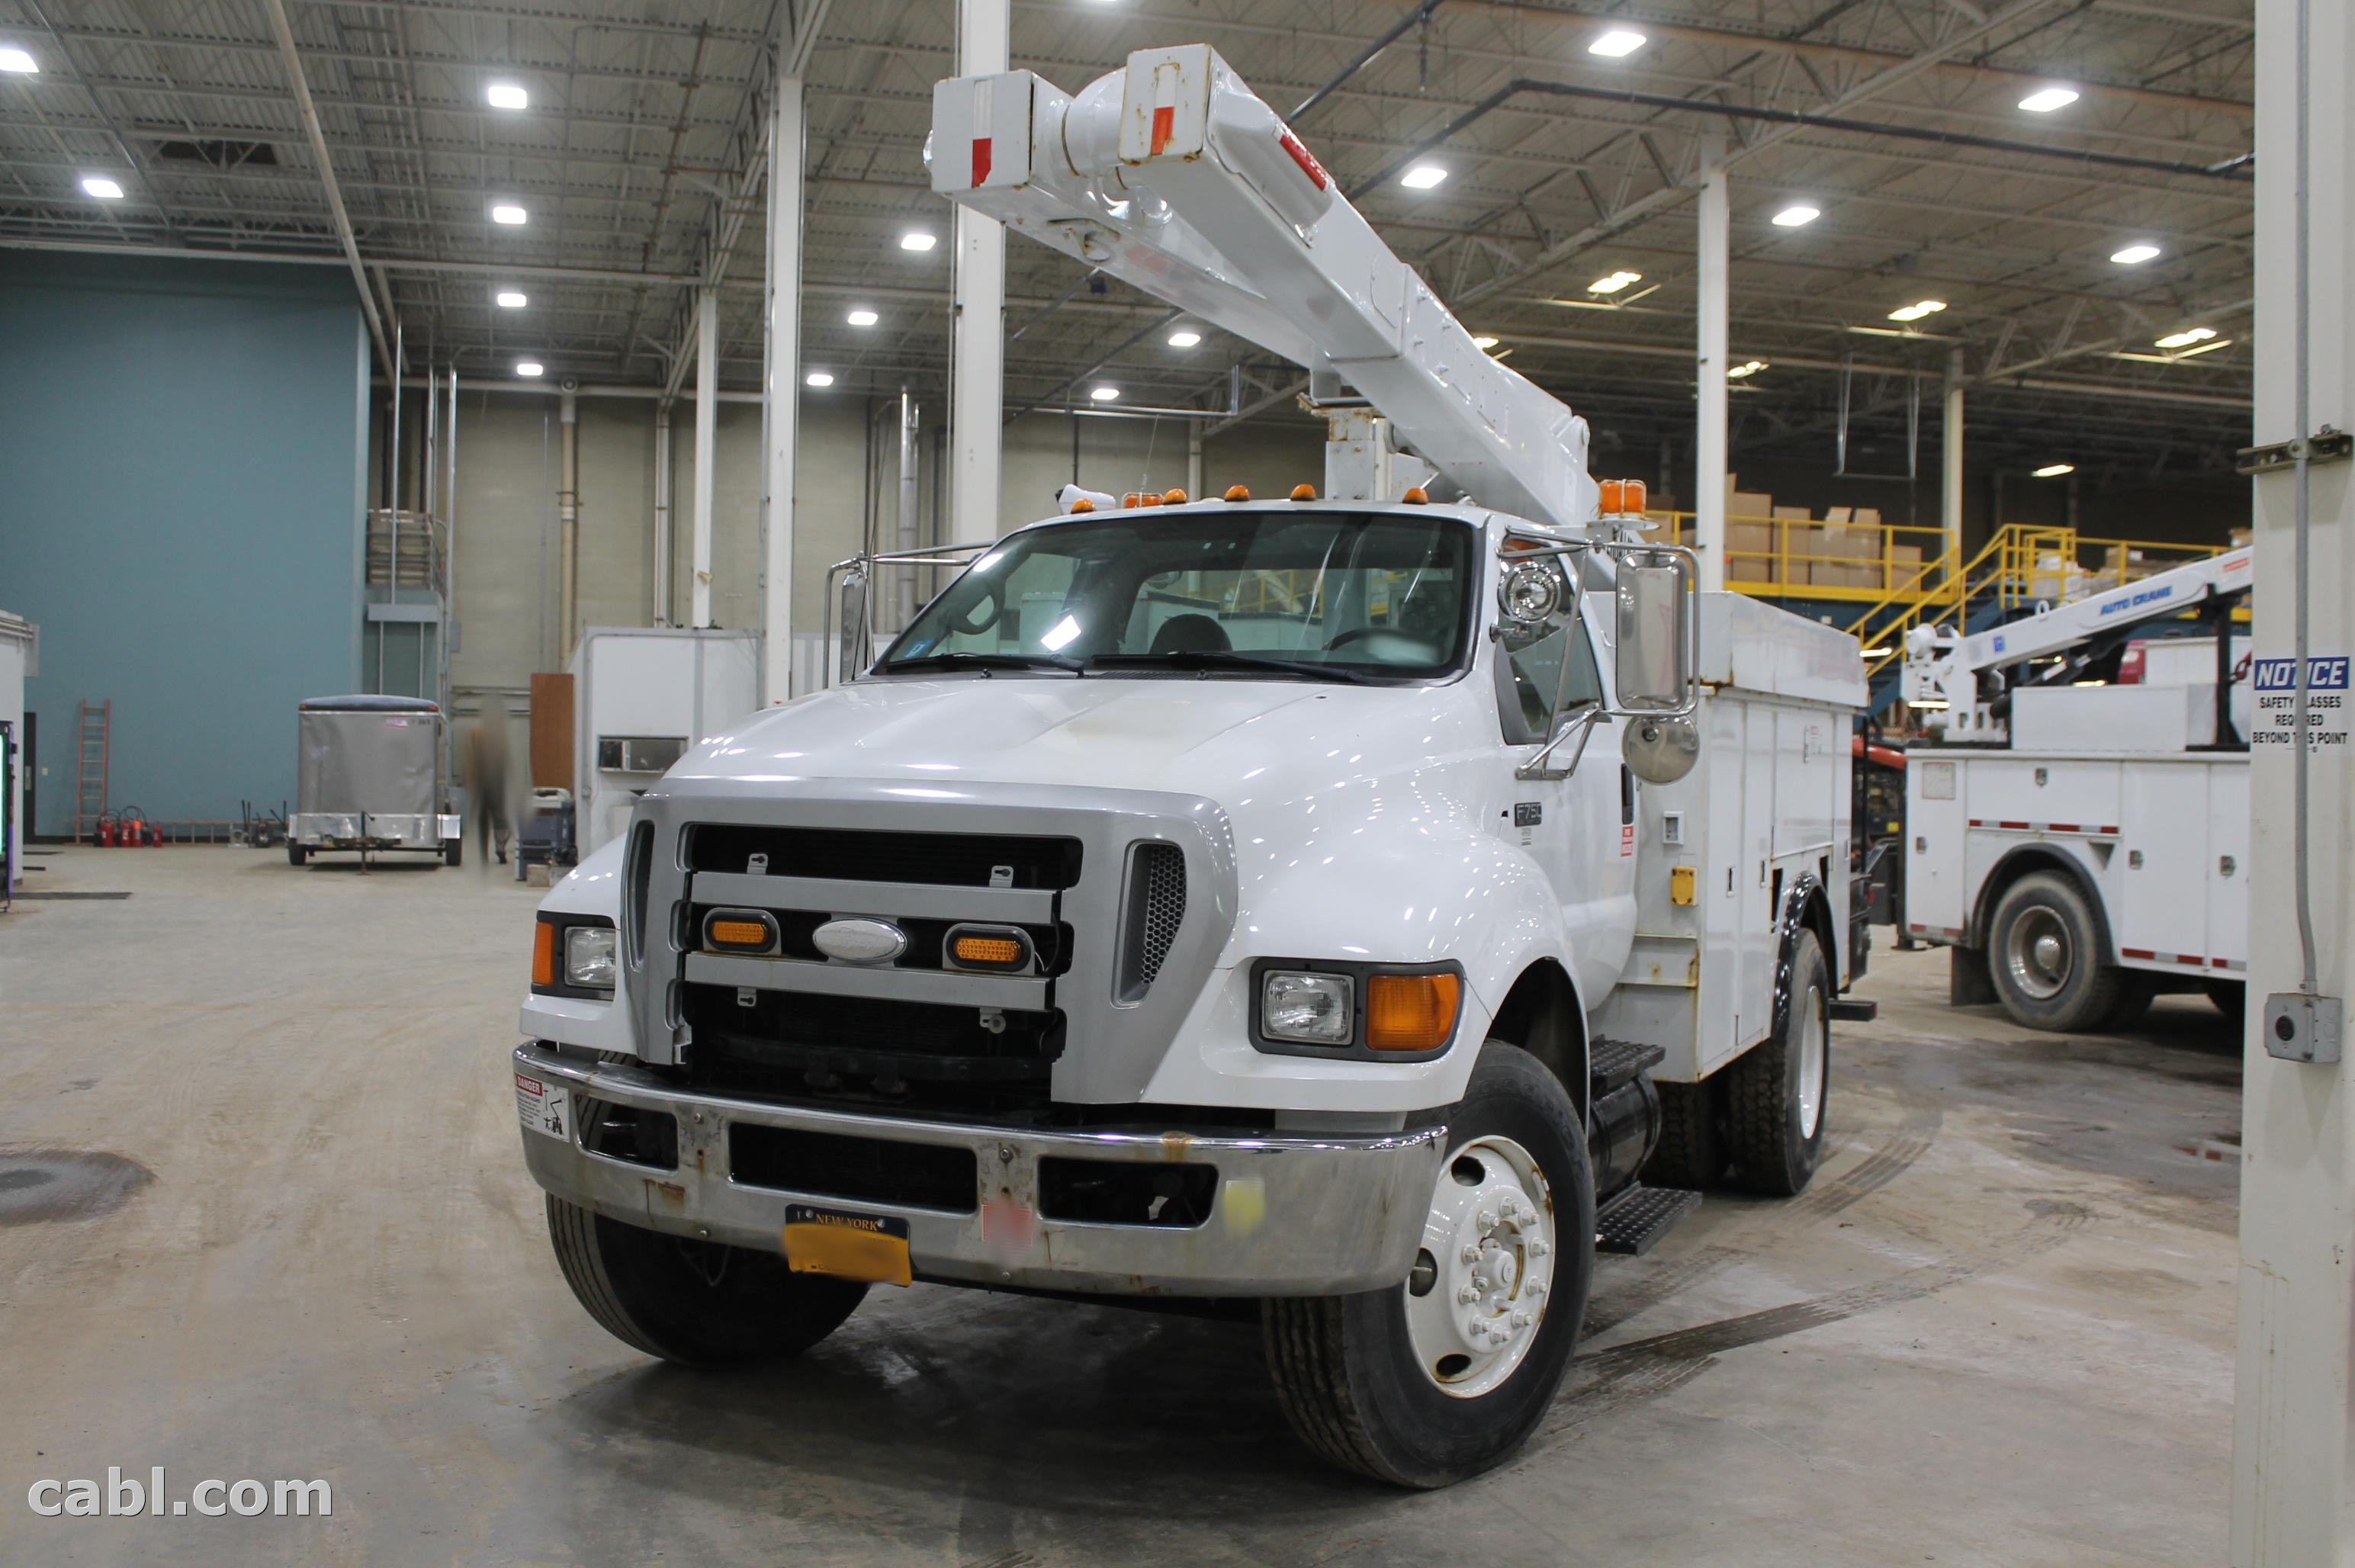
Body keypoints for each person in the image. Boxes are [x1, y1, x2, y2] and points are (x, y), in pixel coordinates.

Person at [465, 708, 515, 866]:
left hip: (480, 784)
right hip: (497, 784)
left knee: (482, 821)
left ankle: (482, 856)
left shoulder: (475, 733)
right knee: (500, 820)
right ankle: (500, 849)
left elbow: (470, 759)